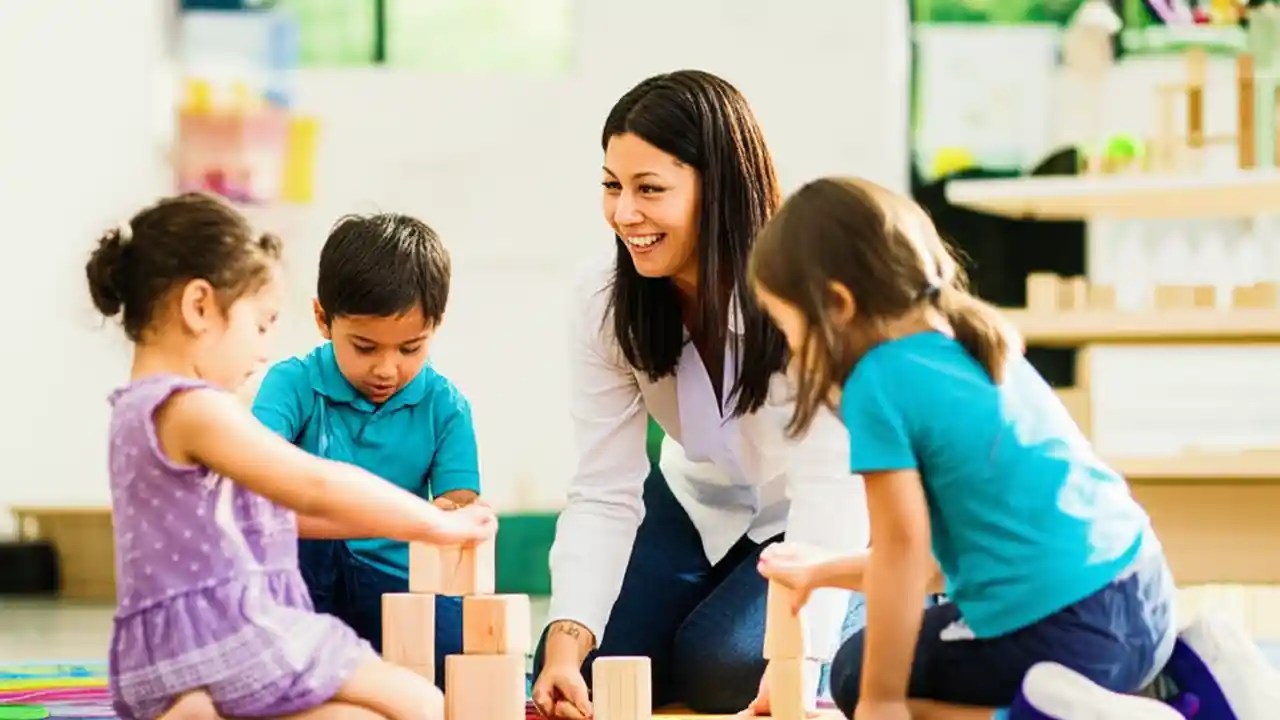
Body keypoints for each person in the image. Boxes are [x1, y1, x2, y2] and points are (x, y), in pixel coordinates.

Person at [746, 176, 1186, 720]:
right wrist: (826, 570)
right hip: (1145, 605)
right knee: (906, 652)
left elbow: (903, 555)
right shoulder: (971, 341)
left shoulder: (877, 382)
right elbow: (950, 560)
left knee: (856, 676)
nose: (789, 347)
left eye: (786, 325)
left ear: (837, 305)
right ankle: (1161, 691)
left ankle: (1065, 714)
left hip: (1067, 631)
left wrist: (881, 701)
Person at [530, 70, 869, 718]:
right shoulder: (604, 299)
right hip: (693, 503)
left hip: (805, 516)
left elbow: (831, 487)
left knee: (727, 667)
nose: (624, 213)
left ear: (719, 188)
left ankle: (879, 603)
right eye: (612, 185)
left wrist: (800, 662)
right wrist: (566, 640)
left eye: (649, 189)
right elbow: (604, 486)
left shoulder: (807, 293)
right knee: (595, 667)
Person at [87, 192, 496, 720]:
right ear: (199, 307)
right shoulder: (196, 409)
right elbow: (313, 487)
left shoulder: (134, 409)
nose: (263, 349)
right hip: (226, 635)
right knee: (422, 703)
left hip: (156, 657)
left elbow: (281, 514)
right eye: (261, 325)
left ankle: (198, 710)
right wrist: (433, 524)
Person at [251, 213, 480, 684]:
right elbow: (253, 476)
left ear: (435, 327)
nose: (386, 369)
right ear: (322, 319)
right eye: (364, 347)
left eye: (410, 349)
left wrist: (458, 515)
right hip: (306, 580)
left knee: (457, 653)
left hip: (401, 586)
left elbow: (457, 505)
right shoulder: (292, 385)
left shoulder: (446, 406)